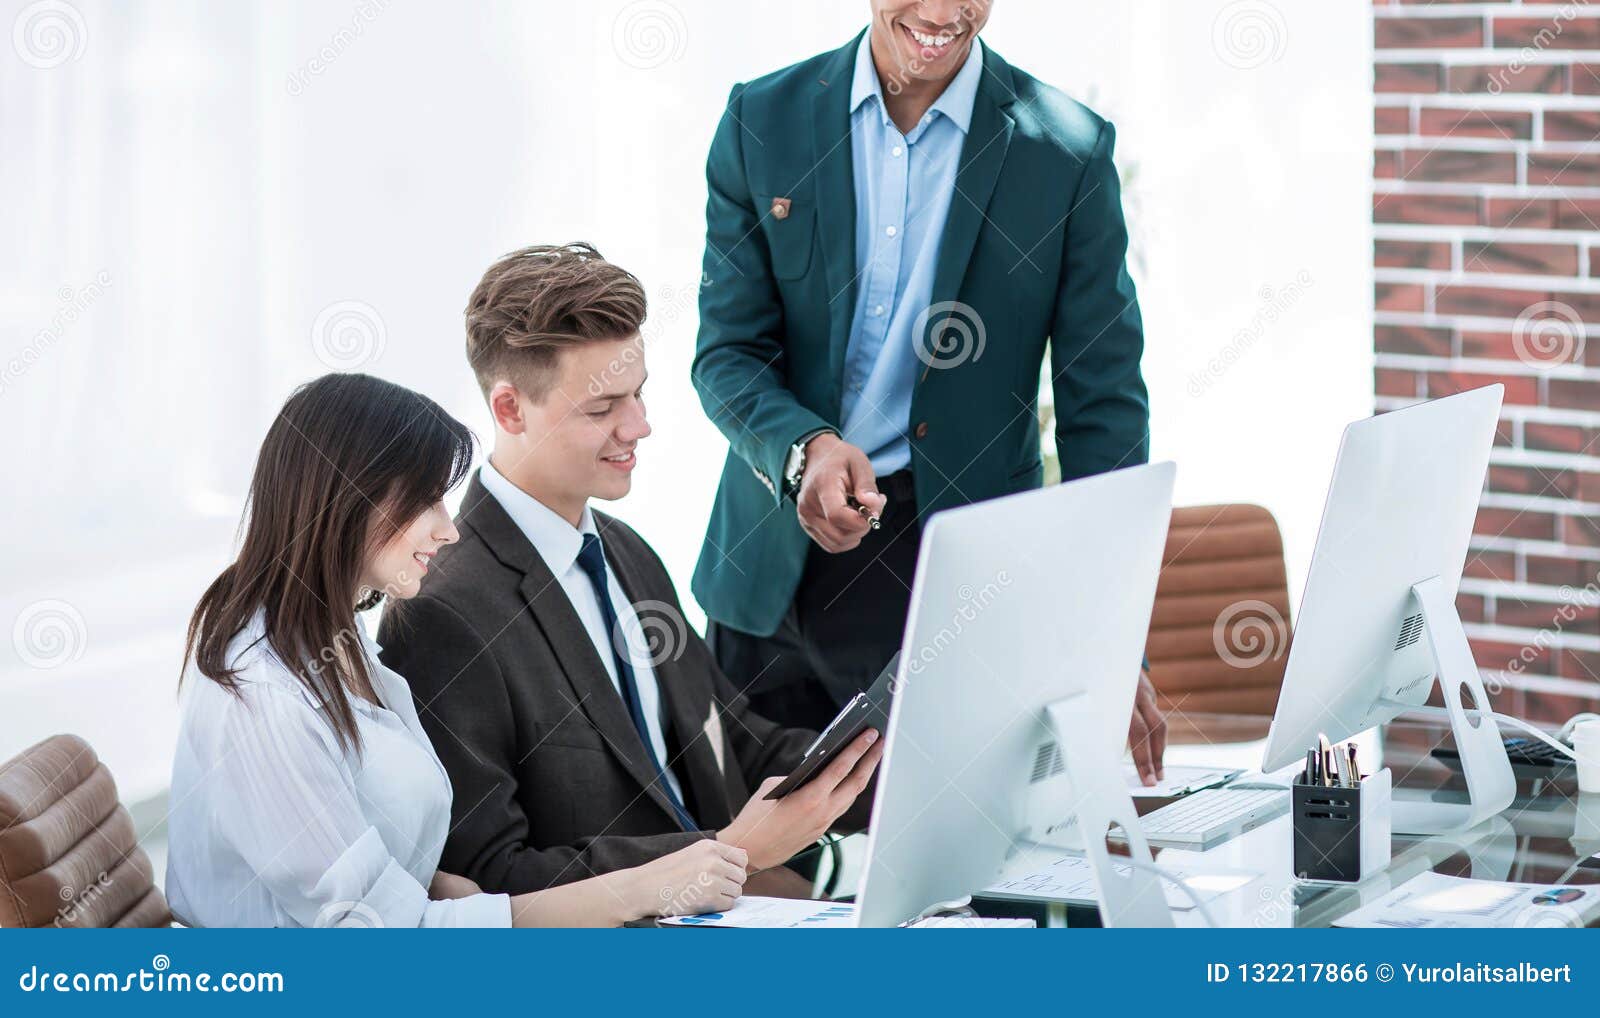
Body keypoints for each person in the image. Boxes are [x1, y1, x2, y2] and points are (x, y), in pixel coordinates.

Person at [689, 0, 1168, 782]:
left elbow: (1103, 414)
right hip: (762, 573)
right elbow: (728, 354)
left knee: (932, 881)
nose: (944, 12)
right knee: (750, 874)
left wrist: (1107, 638)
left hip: (940, 580)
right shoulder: (761, 118)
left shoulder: (1069, 155)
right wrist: (803, 448)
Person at [378, 243, 882, 895]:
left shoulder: (624, 549)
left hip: (754, 906)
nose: (639, 425)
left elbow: (736, 740)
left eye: (638, 394)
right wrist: (730, 853)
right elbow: (490, 879)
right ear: (509, 410)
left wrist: (905, 763)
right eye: (602, 407)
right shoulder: (440, 609)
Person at [166, 372, 747, 927]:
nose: (449, 530)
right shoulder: (262, 695)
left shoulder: (335, 642)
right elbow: (380, 938)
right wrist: (641, 888)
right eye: (426, 504)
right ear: (346, 500)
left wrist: (436, 885)